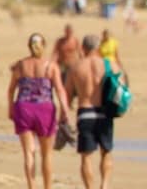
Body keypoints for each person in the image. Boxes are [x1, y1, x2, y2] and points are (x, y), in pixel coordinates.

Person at [8, 34, 70, 189]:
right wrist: (65, 110)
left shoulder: (20, 65)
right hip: (45, 110)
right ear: (44, 45)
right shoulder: (51, 66)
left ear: (29, 46)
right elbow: (60, 90)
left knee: (29, 152)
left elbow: (11, 90)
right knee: (47, 154)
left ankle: (31, 186)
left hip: (23, 108)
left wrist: (10, 107)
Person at [67, 35, 118, 189]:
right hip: (105, 113)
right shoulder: (110, 65)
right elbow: (121, 89)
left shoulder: (76, 67)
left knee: (86, 156)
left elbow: (68, 93)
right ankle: (104, 185)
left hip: (85, 111)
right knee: (106, 152)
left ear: (83, 48)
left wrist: (66, 113)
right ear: (98, 48)